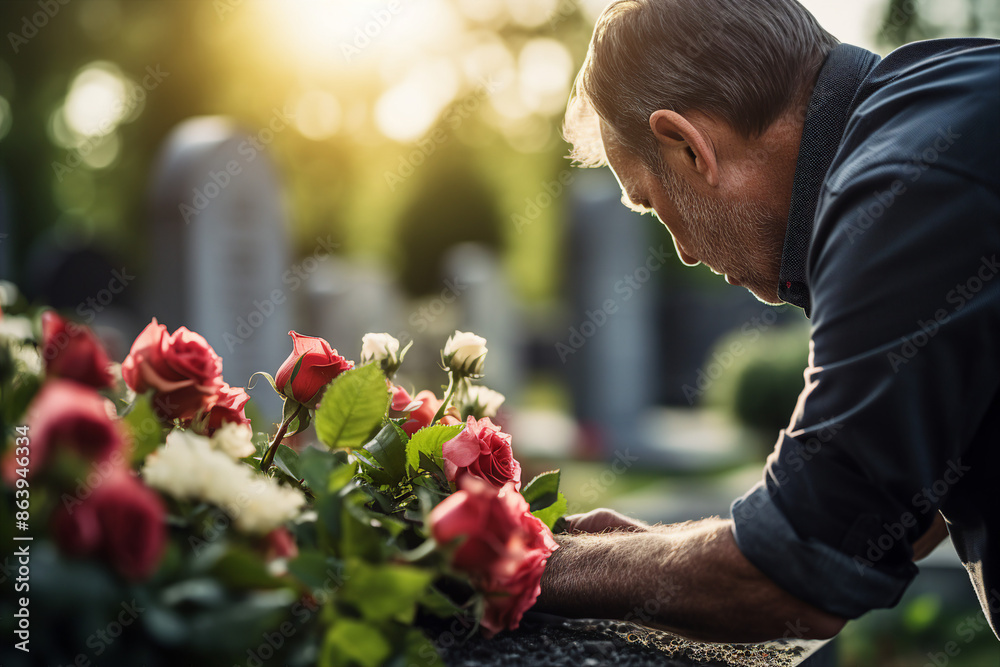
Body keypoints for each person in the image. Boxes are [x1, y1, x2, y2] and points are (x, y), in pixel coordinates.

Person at [536, 0, 1000, 642]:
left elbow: (796, 572)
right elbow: (888, 503)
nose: (686, 252)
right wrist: (661, 560)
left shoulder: (901, 185)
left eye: (651, 203)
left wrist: (530, 563)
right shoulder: (940, 102)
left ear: (688, 146)